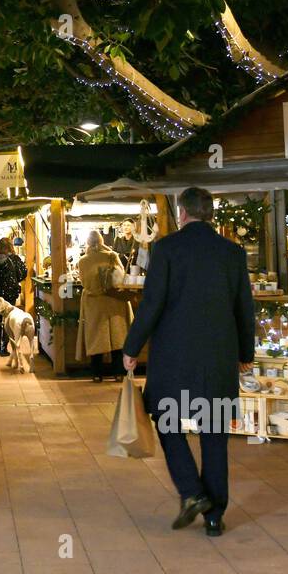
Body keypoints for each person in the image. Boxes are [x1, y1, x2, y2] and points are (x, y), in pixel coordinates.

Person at [122, 187, 254, 538]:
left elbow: (152, 304)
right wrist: (245, 354)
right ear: (209, 214)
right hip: (218, 357)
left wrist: (131, 347)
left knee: (166, 420)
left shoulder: (166, 249)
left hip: (175, 357)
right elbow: (244, 308)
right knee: (214, 434)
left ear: (182, 213)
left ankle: (193, 492)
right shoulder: (233, 253)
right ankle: (215, 517)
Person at [76, 230, 132, 382]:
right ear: (102, 240)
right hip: (114, 301)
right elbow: (122, 277)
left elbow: (83, 282)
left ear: (87, 242)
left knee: (96, 339)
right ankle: (119, 373)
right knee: (117, 338)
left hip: (94, 303)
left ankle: (97, 374)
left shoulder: (83, 261)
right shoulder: (112, 256)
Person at [0, 237, 28, 357]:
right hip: (10, 293)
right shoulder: (15, 259)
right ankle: (4, 346)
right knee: (8, 319)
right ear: (10, 246)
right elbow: (23, 273)